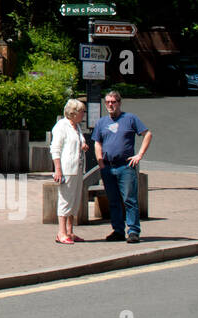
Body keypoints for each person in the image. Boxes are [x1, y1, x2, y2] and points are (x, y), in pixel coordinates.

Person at [93, 90, 152, 243]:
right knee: (113, 200)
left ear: (119, 103)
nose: (110, 105)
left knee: (129, 200)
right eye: (108, 102)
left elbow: (147, 134)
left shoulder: (130, 118)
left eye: (113, 102)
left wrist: (139, 155)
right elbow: (97, 142)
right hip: (108, 167)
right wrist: (100, 161)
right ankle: (118, 230)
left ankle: (133, 231)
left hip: (125, 166)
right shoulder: (101, 122)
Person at [50, 98, 88, 244]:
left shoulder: (76, 126)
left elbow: (79, 140)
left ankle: (70, 232)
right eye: (81, 111)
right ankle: (61, 233)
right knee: (65, 200)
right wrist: (58, 170)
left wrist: (83, 144)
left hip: (78, 168)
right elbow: (55, 149)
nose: (83, 114)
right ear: (73, 112)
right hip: (67, 169)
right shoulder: (62, 126)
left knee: (74, 201)